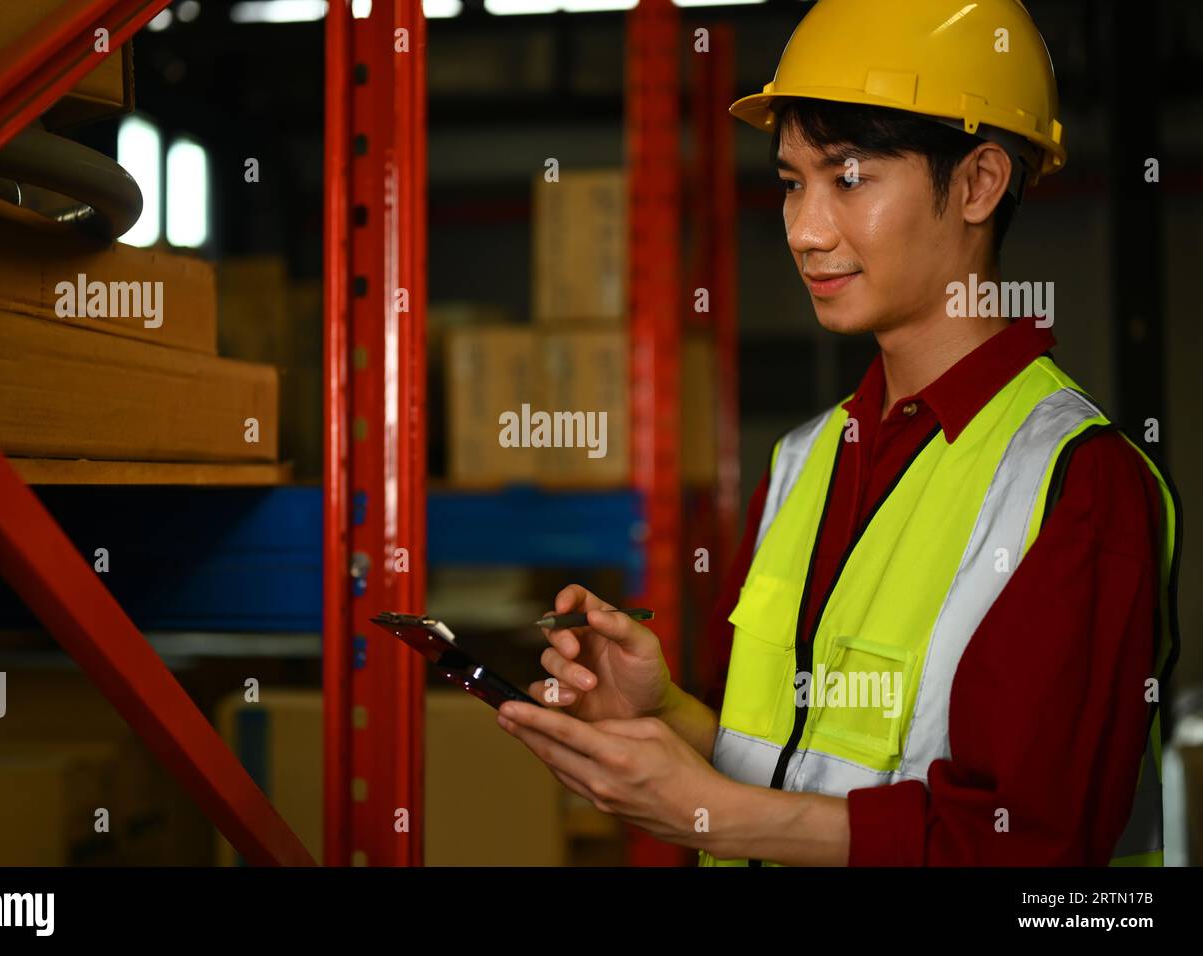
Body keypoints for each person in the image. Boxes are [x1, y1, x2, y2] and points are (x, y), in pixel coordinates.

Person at [494, 0, 1182, 866]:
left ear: (978, 183)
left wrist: (709, 813)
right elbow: (798, 768)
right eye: (792, 182)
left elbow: (1027, 847)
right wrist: (664, 710)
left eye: (849, 177)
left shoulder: (1076, 482)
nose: (805, 230)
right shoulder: (804, 459)